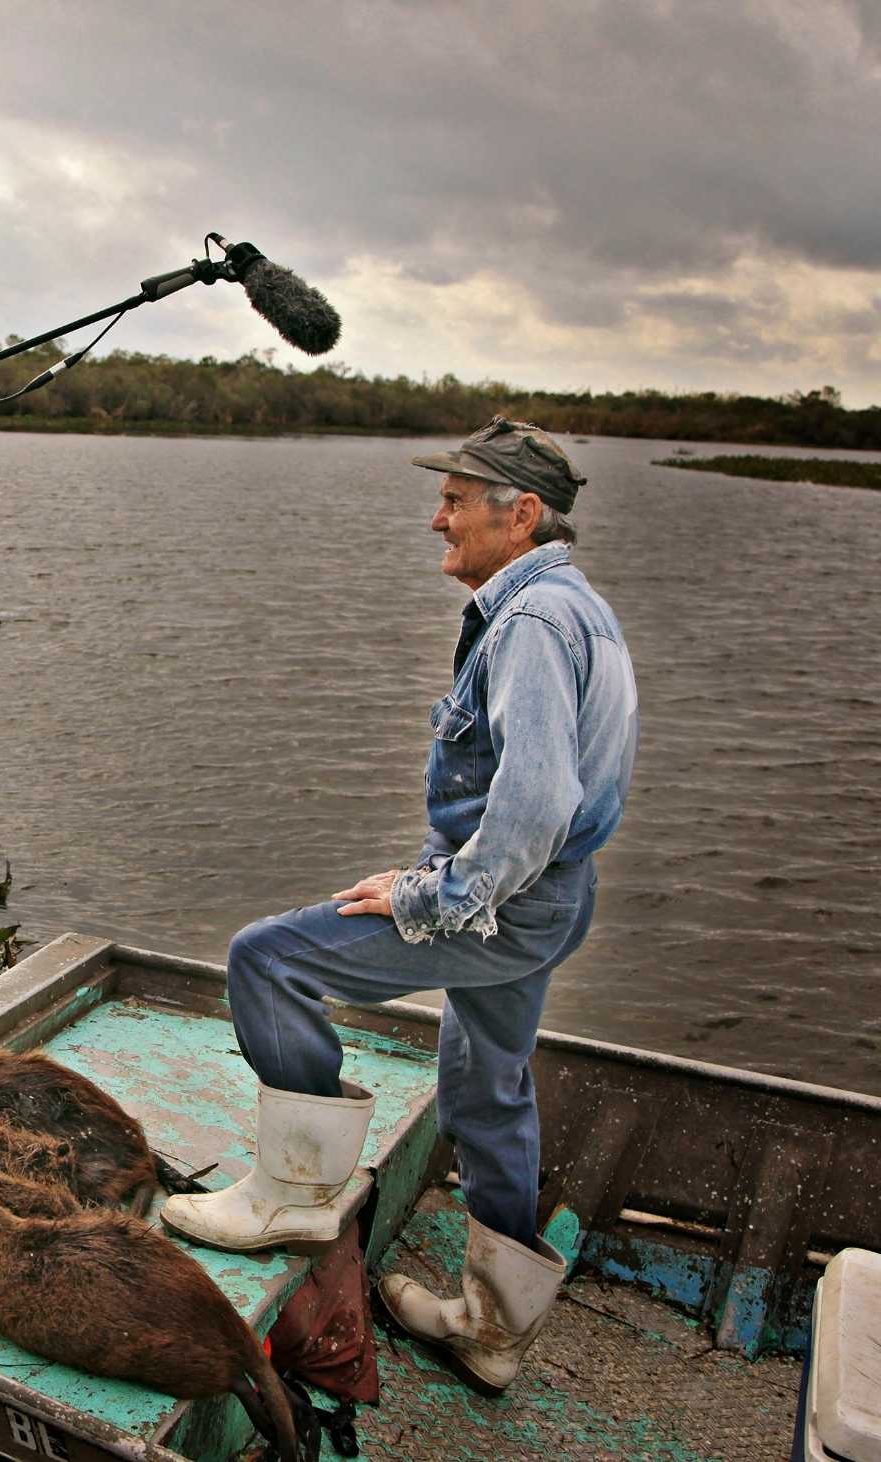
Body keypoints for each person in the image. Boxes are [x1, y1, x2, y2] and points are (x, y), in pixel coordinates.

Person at [162, 418, 638, 1391]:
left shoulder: (532, 624)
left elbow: (538, 798)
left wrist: (432, 896)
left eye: (456, 501)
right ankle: (491, 1332)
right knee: (485, 1089)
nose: (436, 519)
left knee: (268, 958)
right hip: (543, 903)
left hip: (497, 905)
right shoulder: (569, 605)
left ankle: (292, 1193)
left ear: (523, 513)